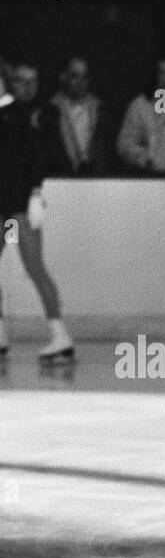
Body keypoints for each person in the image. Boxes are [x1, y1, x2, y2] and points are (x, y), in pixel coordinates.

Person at [0, 63, 74, 361]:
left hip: (19, 206)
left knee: (35, 268)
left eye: (31, 81)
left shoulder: (35, 114)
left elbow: (40, 157)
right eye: (20, 81)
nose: (26, 86)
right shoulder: (8, 114)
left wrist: (35, 193)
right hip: (5, 206)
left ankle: (60, 335)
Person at [45, 56, 113, 176]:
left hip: (95, 181)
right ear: (62, 77)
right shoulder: (50, 111)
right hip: (62, 181)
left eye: (85, 77)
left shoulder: (100, 110)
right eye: (74, 76)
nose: (81, 82)